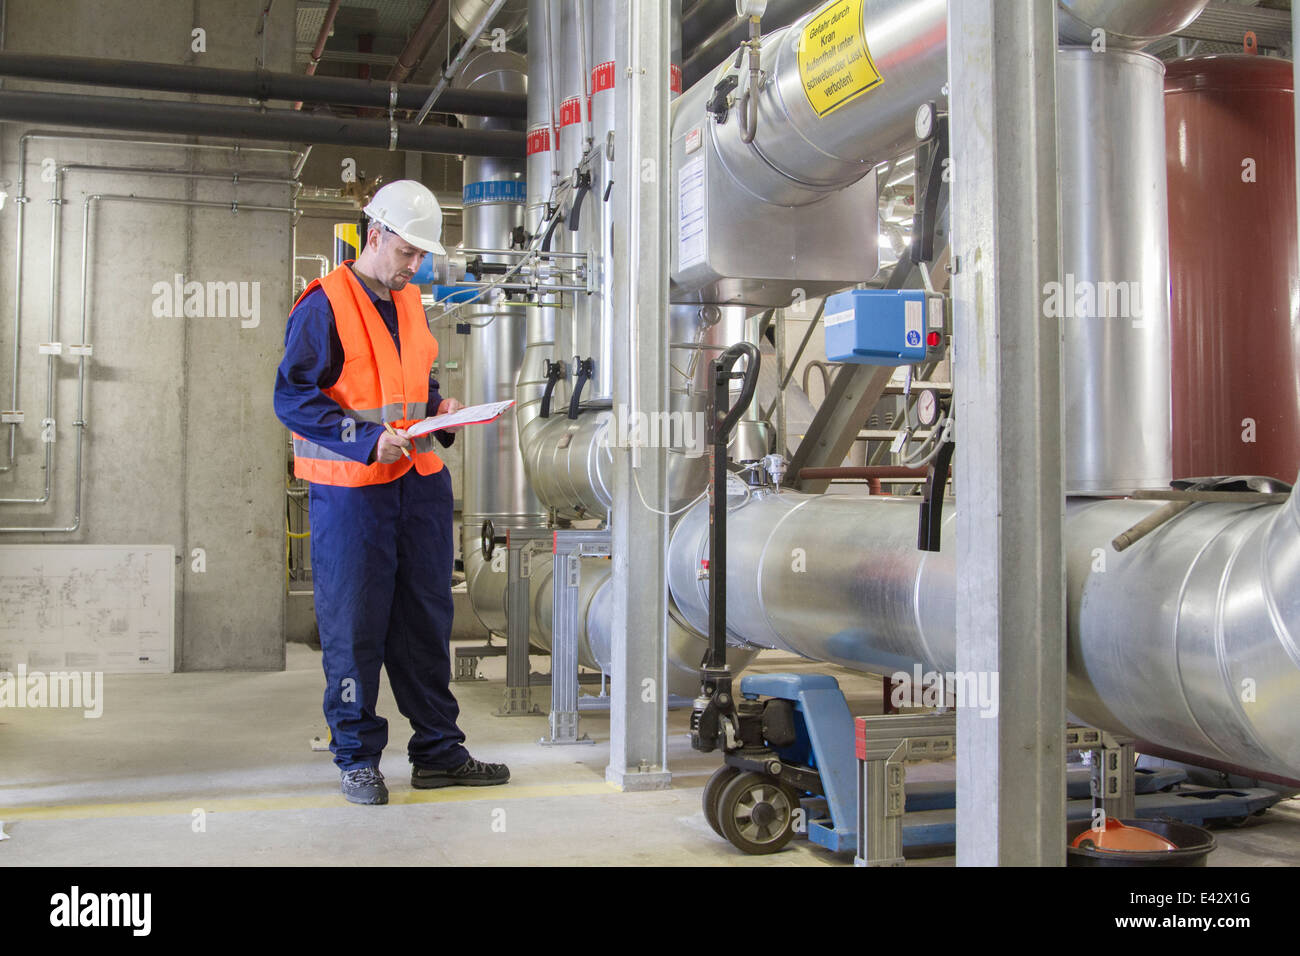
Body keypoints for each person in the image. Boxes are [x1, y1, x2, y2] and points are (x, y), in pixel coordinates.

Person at [274, 179, 509, 805]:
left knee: (425, 623)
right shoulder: (322, 305)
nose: (417, 265)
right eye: (408, 252)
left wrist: (442, 408)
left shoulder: (410, 302)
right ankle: (355, 755)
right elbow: (292, 397)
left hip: (418, 486)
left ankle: (437, 750)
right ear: (373, 235)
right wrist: (361, 437)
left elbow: (412, 385)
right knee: (356, 628)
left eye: (422, 255)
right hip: (354, 495)